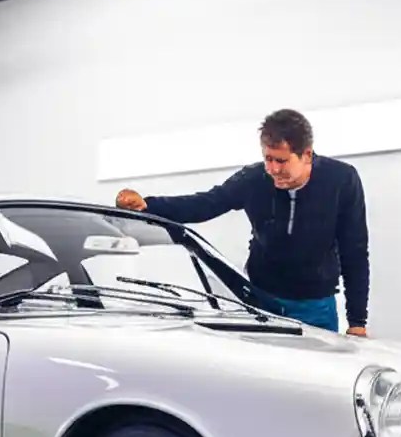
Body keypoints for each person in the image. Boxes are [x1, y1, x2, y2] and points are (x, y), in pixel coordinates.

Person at [115, 109, 370, 336]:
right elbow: (207, 203)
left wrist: (357, 320)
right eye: (267, 158)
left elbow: (355, 251)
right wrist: (149, 205)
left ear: (306, 154)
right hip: (261, 302)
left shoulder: (342, 180)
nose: (273, 169)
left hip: (316, 307)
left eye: (281, 161)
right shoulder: (254, 178)